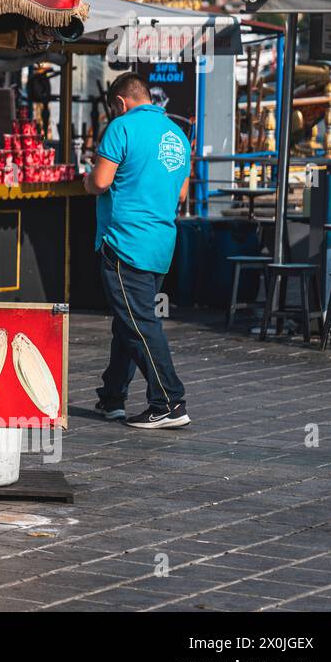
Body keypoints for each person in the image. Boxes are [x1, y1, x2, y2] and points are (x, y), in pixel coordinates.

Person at [84, 71, 191, 430]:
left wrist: (86, 178)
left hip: (126, 241)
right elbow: (181, 194)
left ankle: (169, 401)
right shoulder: (177, 134)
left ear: (120, 102)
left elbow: (100, 182)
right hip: (161, 241)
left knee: (140, 324)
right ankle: (111, 398)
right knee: (127, 322)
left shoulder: (121, 127)